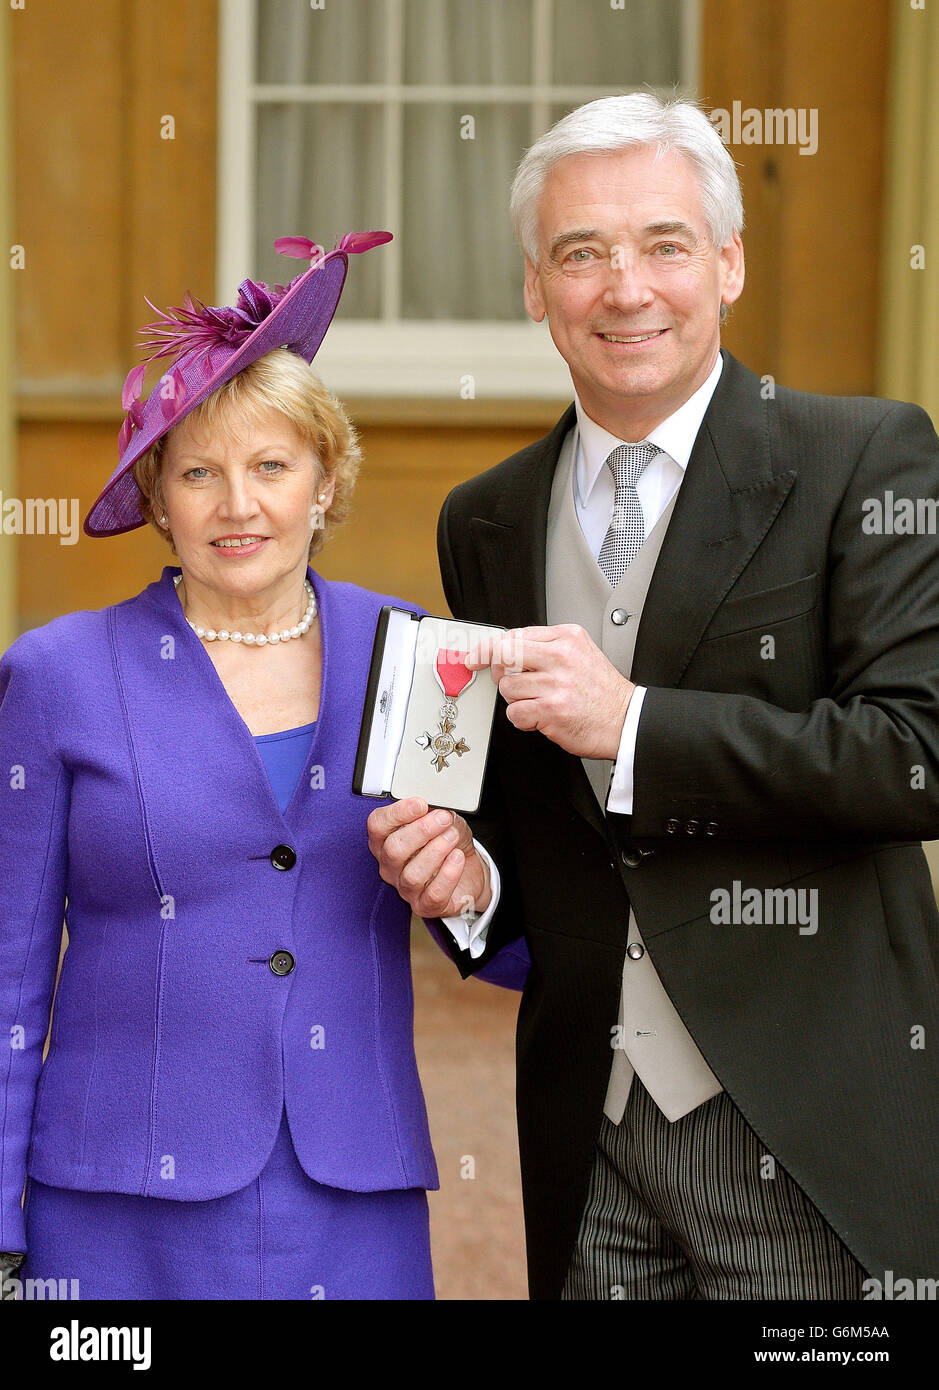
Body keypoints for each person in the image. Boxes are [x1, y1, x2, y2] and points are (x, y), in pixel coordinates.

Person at [368, 93, 939, 1300]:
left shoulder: (864, 459)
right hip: (591, 1131)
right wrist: (468, 882)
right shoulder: (486, 517)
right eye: (583, 253)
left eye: (664, 244)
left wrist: (633, 723)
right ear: (537, 287)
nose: (625, 287)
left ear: (728, 263)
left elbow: (911, 753)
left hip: (804, 1126)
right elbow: (534, 826)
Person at [0, 231, 525, 1301]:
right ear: (158, 495)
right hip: (114, 1217)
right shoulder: (54, 675)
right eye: (199, 472)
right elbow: (7, 979)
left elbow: (506, 948)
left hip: (353, 1202)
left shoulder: (422, 654)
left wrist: (471, 888)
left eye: (272, 466)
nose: (237, 505)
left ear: (327, 483)